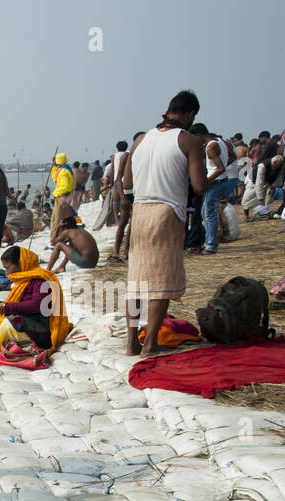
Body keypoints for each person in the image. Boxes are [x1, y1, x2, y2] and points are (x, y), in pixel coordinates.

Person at [123, 90, 209, 356]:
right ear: (191, 114)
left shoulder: (140, 140)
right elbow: (199, 185)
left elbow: (127, 184)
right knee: (159, 280)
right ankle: (150, 344)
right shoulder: (188, 141)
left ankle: (131, 343)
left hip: (140, 212)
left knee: (136, 281)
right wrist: (212, 175)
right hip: (167, 212)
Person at [0, 245, 71, 368]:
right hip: (29, 320)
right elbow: (21, 302)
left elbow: (36, 306)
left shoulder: (41, 280)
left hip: (43, 329)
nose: (7, 272)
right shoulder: (24, 279)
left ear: (20, 264)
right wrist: (2, 304)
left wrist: (7, 306)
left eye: (8, 268)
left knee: (6, 325)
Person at [193, 123, 235, 254]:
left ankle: (211, 246)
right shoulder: (221, 141)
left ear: (199, 135)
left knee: (209, 215)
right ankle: (209, 241)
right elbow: (232, 157)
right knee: (206, 212)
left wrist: (206, 180)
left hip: (215, 183)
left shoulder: (210, 147)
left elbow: (220, 168)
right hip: (222, 181)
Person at [49, 152, 75, 243]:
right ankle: (53, 238)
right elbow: (55, 179)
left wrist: (57, 193)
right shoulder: (62, 169)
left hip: (62, 197)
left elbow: (66, 186)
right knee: (54, 219)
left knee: (59, 219)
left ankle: (57, 239)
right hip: (59, 197)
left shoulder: (64, 171)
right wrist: (54, 167)